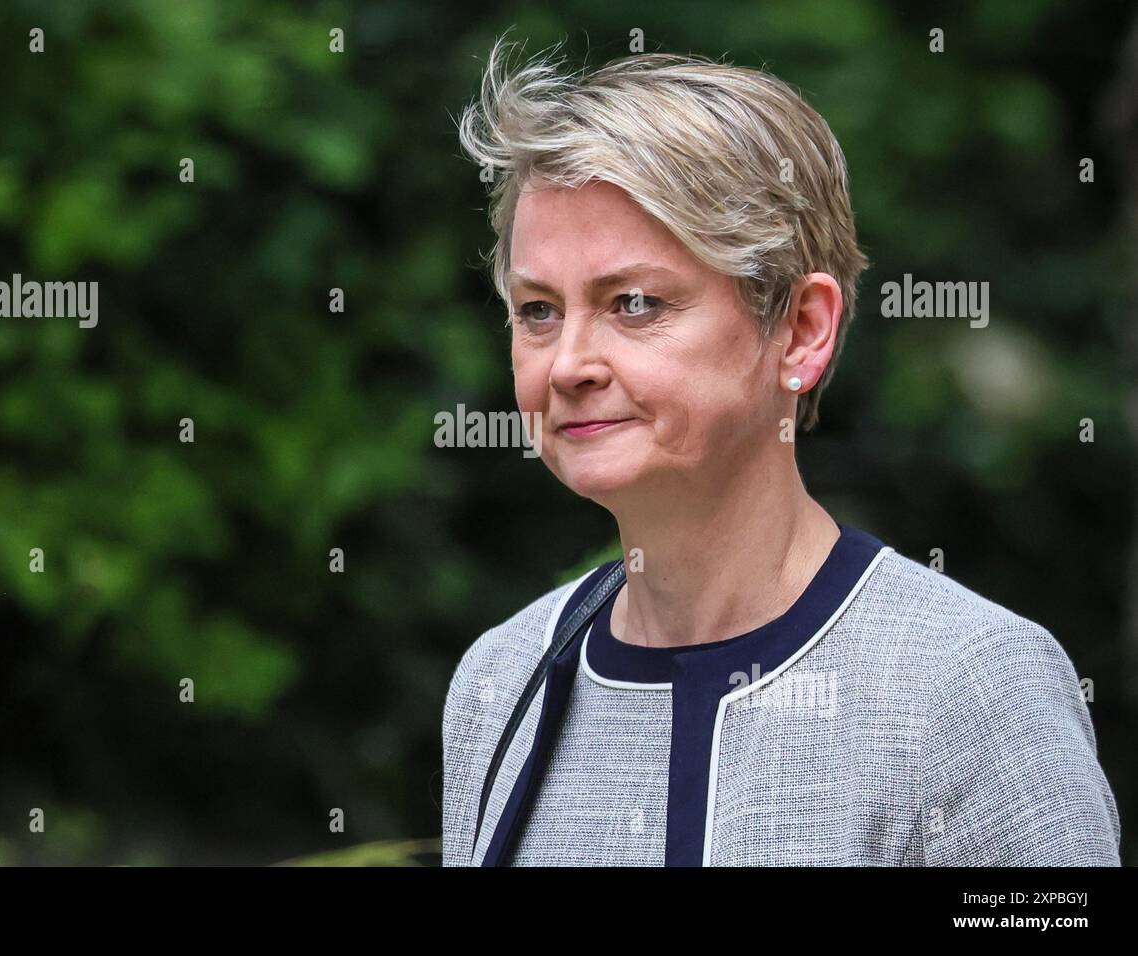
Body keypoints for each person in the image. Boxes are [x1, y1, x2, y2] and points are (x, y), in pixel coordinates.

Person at [440, 33, 1122, 866]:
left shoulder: (969, 689)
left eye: (636, 302)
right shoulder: (499, 682)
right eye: (538, 311)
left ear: (801, 331)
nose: (571, 363)